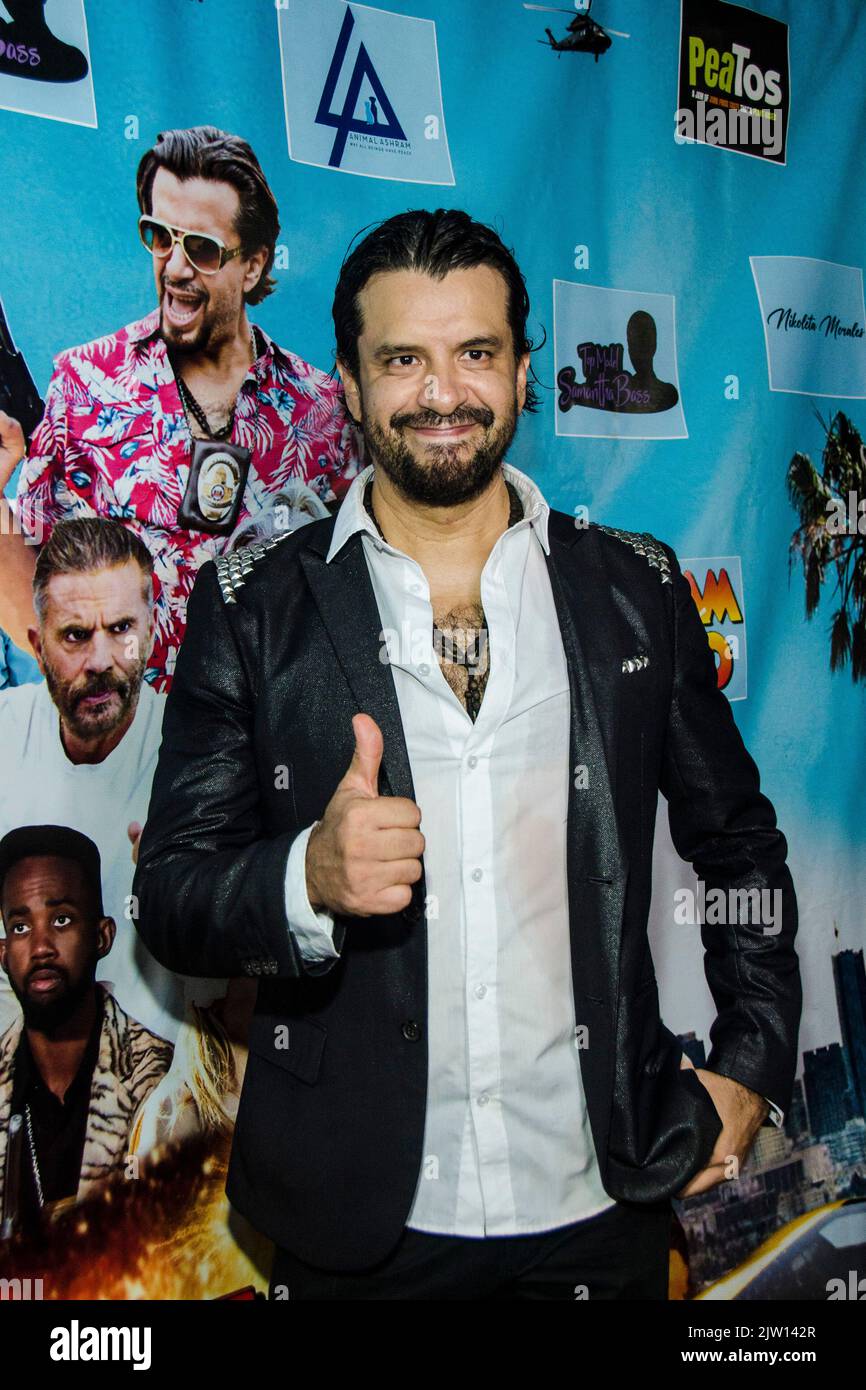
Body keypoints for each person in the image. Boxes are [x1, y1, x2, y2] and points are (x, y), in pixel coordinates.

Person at [131, 208, 801, 1301]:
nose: (442, 394)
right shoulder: (254, 608)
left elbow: (738, 853)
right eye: (402, 359)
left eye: (474, 354)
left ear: (523, 373)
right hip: (356, 1226)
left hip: (600, 1205)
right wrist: (306, 876)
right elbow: (170, 896)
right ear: (346, 382)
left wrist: (752, 1062)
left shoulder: (635, 593)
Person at [0, 125, 359, 690]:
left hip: (261, 751)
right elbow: (30, 570)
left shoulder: (321, 410)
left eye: (202, 248)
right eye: (160, 237)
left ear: (254, 265)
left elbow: (350, 587)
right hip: (124, 750)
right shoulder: (85, 381)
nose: (174, 267)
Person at [0, 517, 181, 1042]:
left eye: (121, 629)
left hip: (154, 1095)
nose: (100, 661)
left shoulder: (195, 757)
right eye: (76, 636)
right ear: (37, 645)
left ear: (150, 628)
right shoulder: (7, 734)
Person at [0, 825, 172, 1238]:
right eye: (21, 927)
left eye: (61, 919)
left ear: (102, 936)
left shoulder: (158, 1077)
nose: (40, 946)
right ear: (3, 954)